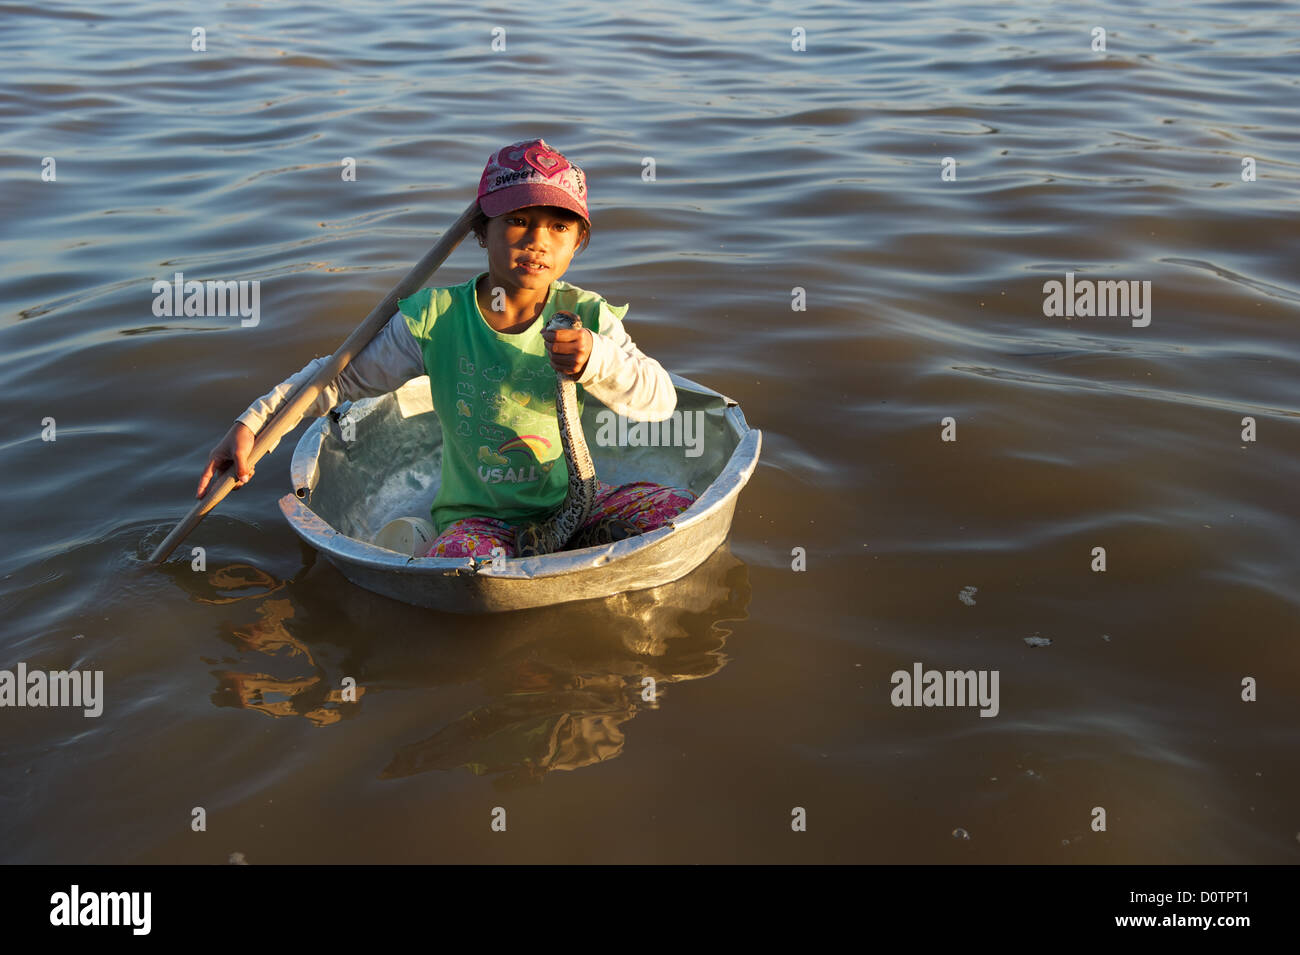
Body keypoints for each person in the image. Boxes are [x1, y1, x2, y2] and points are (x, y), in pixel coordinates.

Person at [196, 138, 696, 558]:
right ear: (482, 231)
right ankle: (512, 551)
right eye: (518, 221)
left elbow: (660, 400)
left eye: (559, 227)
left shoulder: (587, 316)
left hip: (575, 500)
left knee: (677, 511)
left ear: (577, 242)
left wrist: (597, 359)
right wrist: (253, 423)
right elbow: (340, 379)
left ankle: (559, 542)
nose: (537, 242)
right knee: (461, 562)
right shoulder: (437, 318)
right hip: (479, 518)